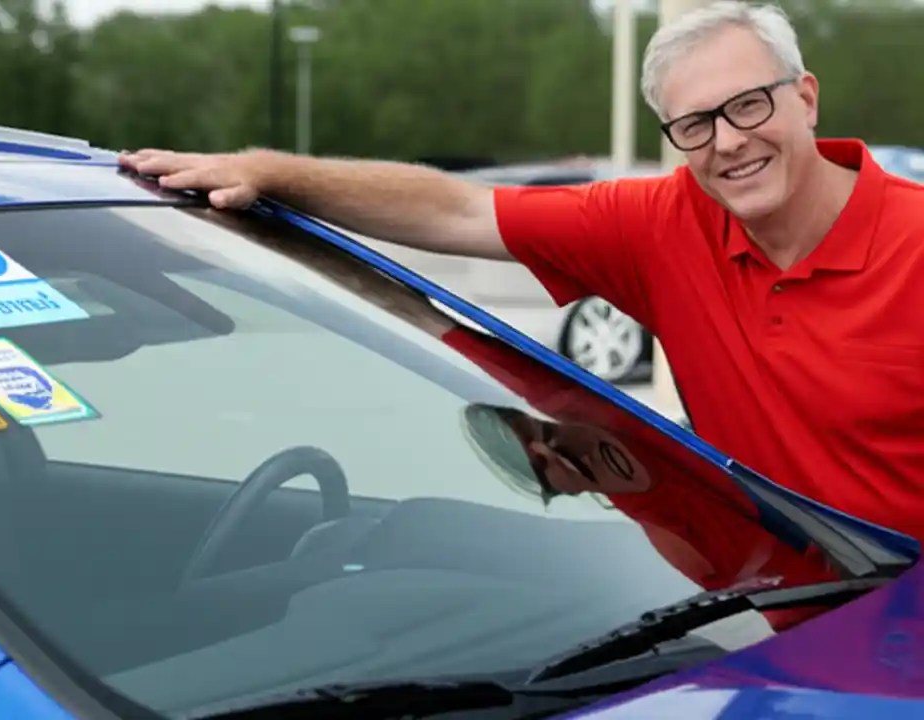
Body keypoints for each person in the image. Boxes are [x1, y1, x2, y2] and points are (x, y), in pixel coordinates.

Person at [118, 1, 924, 543]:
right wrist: (265, 172)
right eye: (694, 124)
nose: (728, 142)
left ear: (806, 98)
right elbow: (457, 211)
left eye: (749, 105)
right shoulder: (664, 222)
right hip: (763, 636)